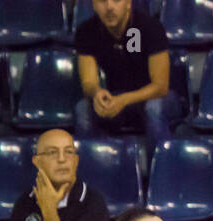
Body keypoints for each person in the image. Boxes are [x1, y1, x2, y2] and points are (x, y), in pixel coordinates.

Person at [74, 0, 182, 153]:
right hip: (118, 97)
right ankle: (89, 170)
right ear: (94, 5)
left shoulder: (148, 27)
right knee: (83, 108)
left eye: (116, 0)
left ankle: (160, 172)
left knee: (154, 108)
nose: (109, 7)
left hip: (156, 97)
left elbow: (160, 86)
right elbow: (88, 83)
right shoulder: (87, 31)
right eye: (102, 1)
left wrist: (124, 100)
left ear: (128, 3)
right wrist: (97, 93)